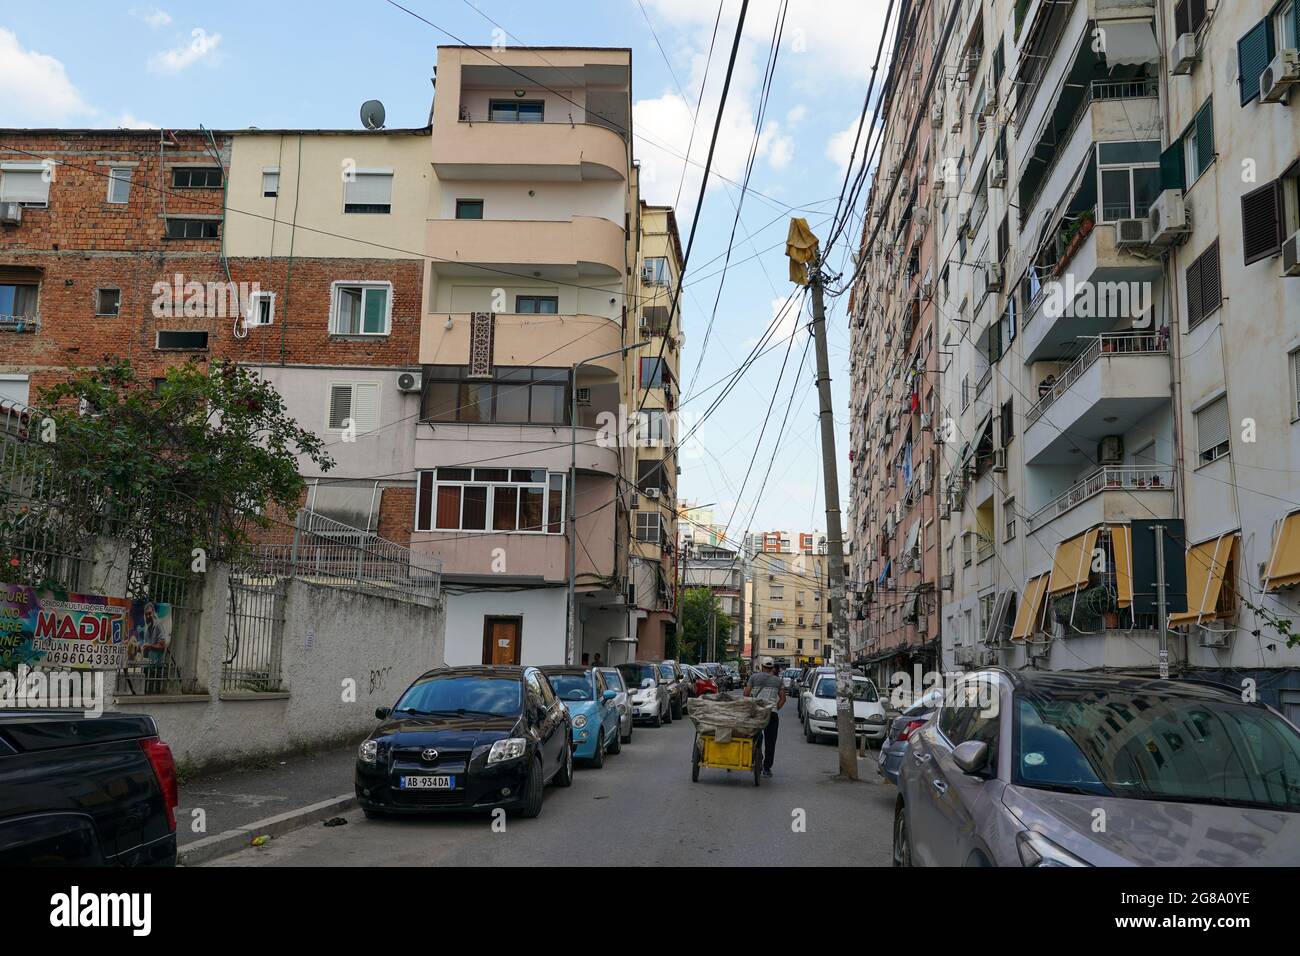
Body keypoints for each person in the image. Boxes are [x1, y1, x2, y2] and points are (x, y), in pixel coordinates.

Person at [744, 656, 786, 777]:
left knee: (755, 737)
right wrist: (775, 708)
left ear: (762, 667)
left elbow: (746, 694)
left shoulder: (753, 677)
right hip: (771, 714)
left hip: (757, 712)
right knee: (771, 742)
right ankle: (767, 768)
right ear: (772, 667)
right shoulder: (778, 681)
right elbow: (783, 699)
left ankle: (756, 758)